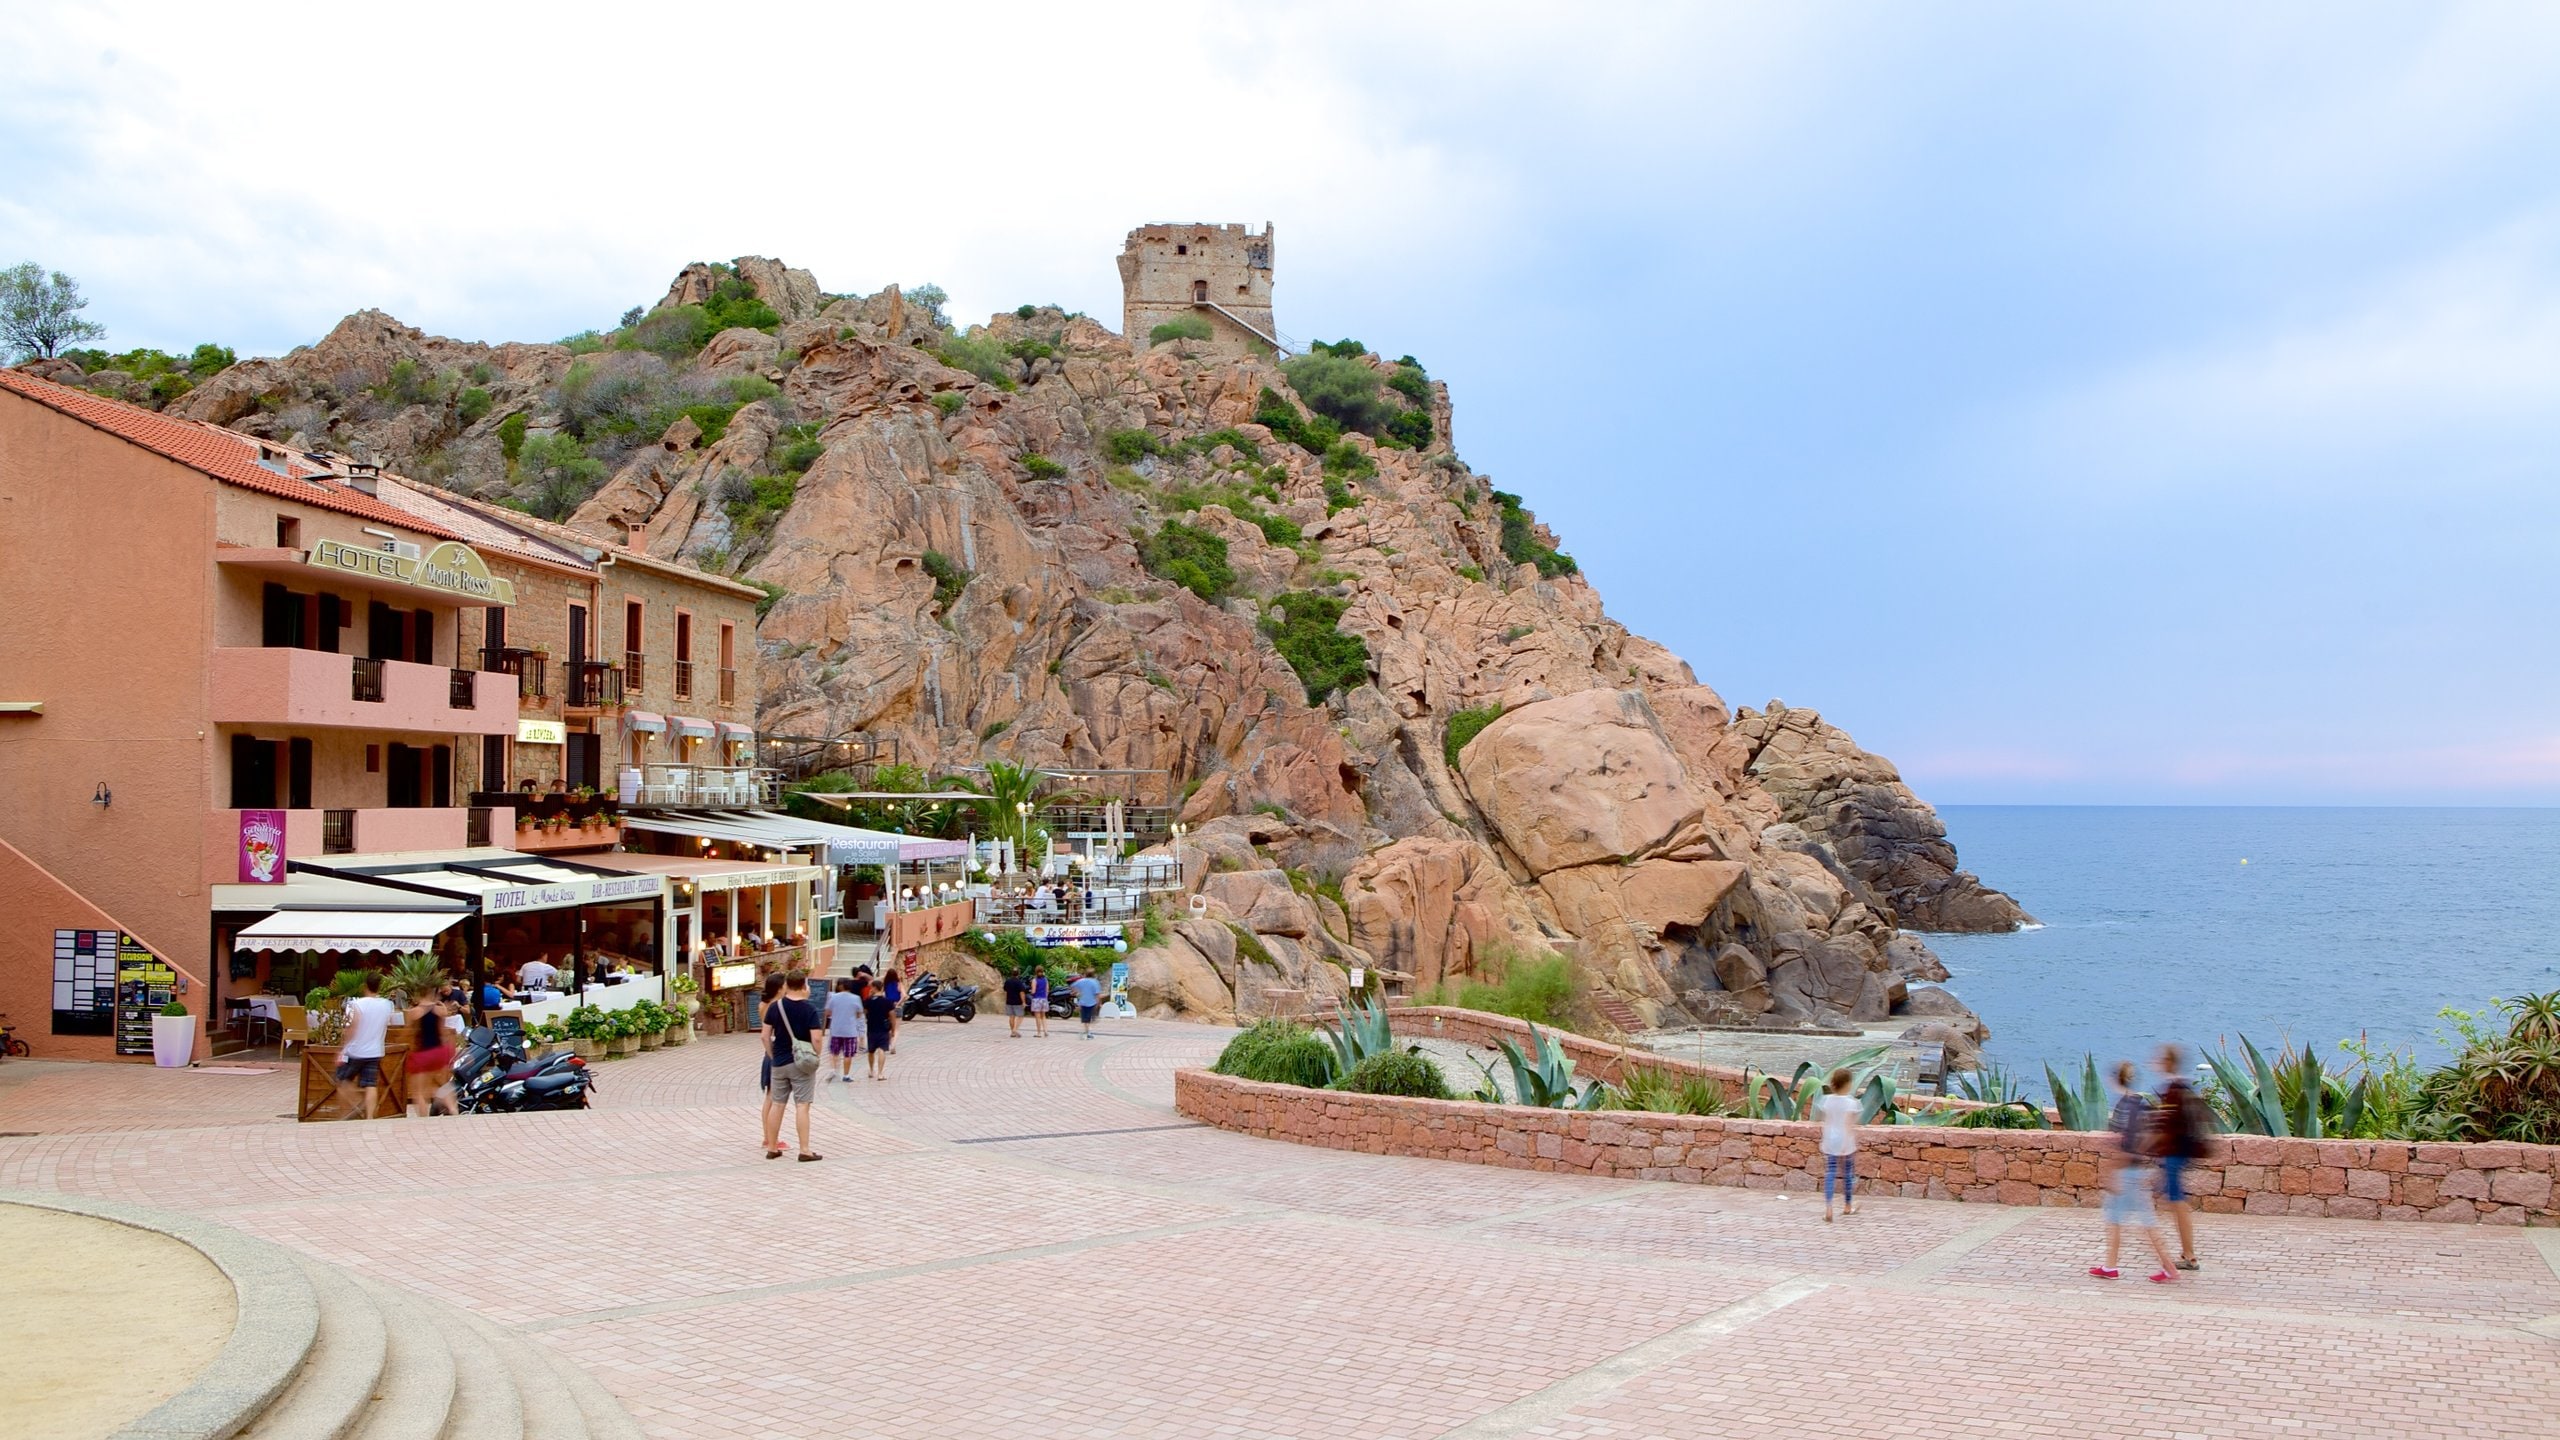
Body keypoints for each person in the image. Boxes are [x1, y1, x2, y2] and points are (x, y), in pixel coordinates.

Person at [2092, 1060, 2179, 1283]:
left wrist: (2113, 1172)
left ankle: (2168, 1267)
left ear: (2115, 1079)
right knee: (2120, 1219)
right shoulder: (2142, 1103)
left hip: (2126, 1172)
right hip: (2141, 1169)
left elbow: (2122, 1141)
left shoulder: (2123, 1107)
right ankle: (2110, 1265)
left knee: (2136, 1221)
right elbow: (2155, 1133)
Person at [759, 969, 824, 1162]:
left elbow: (764, 1036)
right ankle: (804, 1149)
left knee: (777, 1104)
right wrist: (815, 1056)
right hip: (800, 1064)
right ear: (804, 986)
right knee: (802, 1105)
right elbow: (817, 1038)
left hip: (779, 1062)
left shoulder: (775, 1007)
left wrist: (773, 1055)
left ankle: (772, 1147)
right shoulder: (809, 1009)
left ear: (787, 985)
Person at [2155, 1045, 2209, 1271]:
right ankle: (2187, 1253)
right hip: (2175, 1154)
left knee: (2177, 1203)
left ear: (2169, 1062)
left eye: (2162, 1059)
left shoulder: (2173, 1089)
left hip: (2173, 1155)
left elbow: (2168, 1125)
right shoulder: (2180, 1087)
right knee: (2174, 1202)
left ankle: (2189, 1255)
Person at [332, 975, 398, 1120]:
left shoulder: (359, 1004)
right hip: (375, 1050)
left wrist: (342, 1048)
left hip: (355, 1050)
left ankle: (350, 1108)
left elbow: (353, 1028)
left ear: (365, 986)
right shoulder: (387, 1004)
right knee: (370, 1084)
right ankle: (369, 1117)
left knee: (342, 1080)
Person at [1816, 1067, 1860, 1221]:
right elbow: (1849, 1124)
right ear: (1848, 1084)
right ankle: (1848, 1206)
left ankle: (1828, 1208)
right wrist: (1848, 1140)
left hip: (1830, 1138)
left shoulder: (1826, 1100)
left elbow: (1825, 1119)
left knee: (1830, 1173)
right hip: (1844, 1141)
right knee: (1847, 1174)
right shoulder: (1851, 1103)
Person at [404, 991, 457, 1118]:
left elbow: (409, 1033)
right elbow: (442, 1032)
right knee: (440, 1084)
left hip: (422, 1053)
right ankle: (453, 1109)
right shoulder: (439, 1011)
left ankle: (423, 1119)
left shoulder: (414, 1012)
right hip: (439, 1051)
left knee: (419, 1091)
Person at [824, 975, 865, 1082]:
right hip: (850, 1030)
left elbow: (828, 1012)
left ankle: (833, 1069)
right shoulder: (856, 998)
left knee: (834, 1052)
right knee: (848, 1054)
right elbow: (860, 1013)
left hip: (836, 1029)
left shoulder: (833, 997)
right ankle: (846, 1075)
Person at [862, 976, 896, 1080]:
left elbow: (865, 1013)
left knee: (871, 1051)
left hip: (871, 1028)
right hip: (883, 1029)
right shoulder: (888, 1002)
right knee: (882, 1049)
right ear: (881, 988)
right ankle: (880, 1073)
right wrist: (893, 1030)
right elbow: (892, 1016)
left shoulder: (868, 1001)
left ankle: (871, 1070)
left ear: (874, 988)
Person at [1071, 968, 1103, 1039]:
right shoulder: (1095, 982)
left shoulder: (1081, 981)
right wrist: (1099, 1003)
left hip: (1083, 1002)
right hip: (1092, 1003)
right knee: (1090, 1019)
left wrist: (1077, 992)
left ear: (1086, 974)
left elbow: (1073, 986)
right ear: (1093, 975)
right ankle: (1088, 1033)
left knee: (1085, 1019)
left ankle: (1087, 1031)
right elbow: (1097, 994)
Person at [882, 964, 904, 1054]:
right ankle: (893, 1046)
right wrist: (899, 1002)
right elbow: (905, 995)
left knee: (889, 1027)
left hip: (888, 1007)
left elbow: (882, 994)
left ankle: (890, 1043)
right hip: (897, 1007)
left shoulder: (885, 984)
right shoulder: (898, 984)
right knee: (897, 1029)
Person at [1002, 967, 1029, 1038]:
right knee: (1020, 1016)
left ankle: (1012, 1032)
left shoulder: (1007, 981)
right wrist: (1023, 1002)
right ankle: (1015, 1029)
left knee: (1011, 1017)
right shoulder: (1019, 982)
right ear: (1018, 974)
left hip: (1009, 1001)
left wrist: (1006, 1000)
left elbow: (1005, 991)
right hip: (1017, 1002)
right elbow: (1022, 993)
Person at [1029, 968, 1051, 1038]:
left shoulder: (1034, 980)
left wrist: (1031, 991)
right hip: (1044, 999)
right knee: (1043, 1016)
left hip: (1036, 1000)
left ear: (1036, 972)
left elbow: (1033, 991)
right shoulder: (1045, 980)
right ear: (1042, 972)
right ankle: (1045, 1031)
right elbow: (1047, 990)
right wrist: (1045, 997)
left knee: (1037, 1017)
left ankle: (1039, 1033)